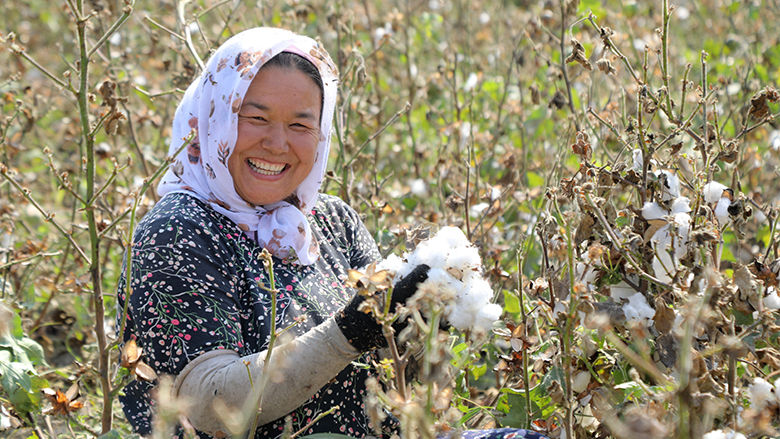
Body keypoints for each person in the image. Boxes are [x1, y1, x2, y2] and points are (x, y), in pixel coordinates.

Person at [117, 27, 547, 439]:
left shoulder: (329, 220)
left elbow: (392, 372)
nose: (277, 143)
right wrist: (349, 331)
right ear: (214, 117)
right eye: (256, 118)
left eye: (301, 125)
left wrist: (421, 325)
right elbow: (206, 405)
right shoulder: (178, 231)